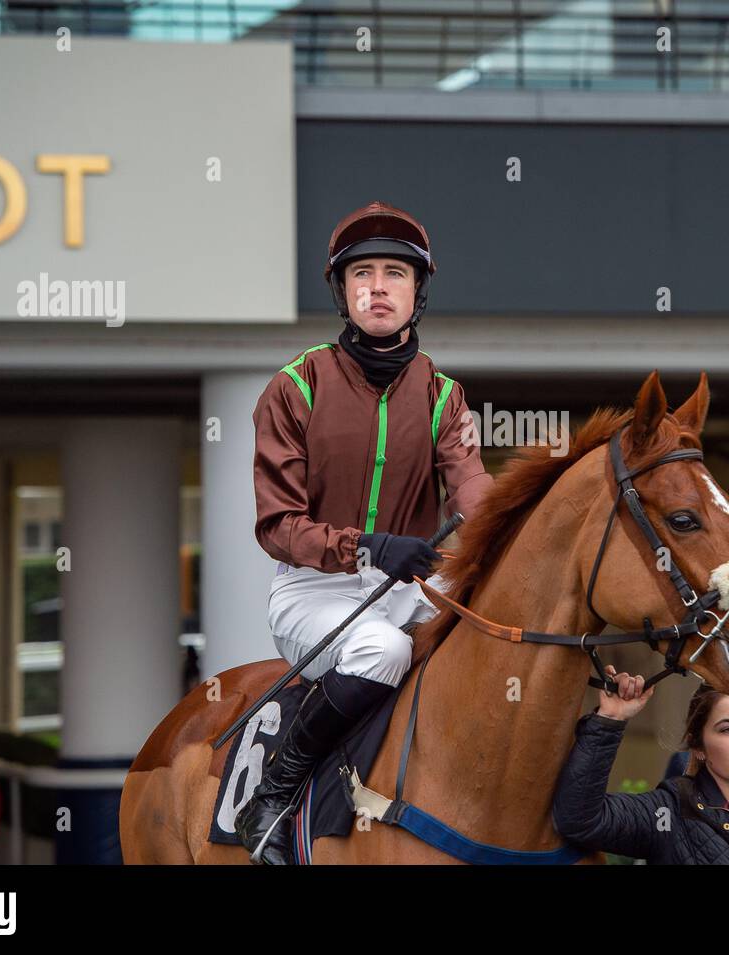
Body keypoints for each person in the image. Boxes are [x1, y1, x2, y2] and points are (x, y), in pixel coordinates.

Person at [234, 200, 495, 864]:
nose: (379, 287)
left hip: (416, 583)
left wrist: (508, 520)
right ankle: (274, 795)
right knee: (382, 648)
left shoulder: (445, 396)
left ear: (417, 292)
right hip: (316, 590)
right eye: (363, 274)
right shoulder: (295, 386)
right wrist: (368, 546)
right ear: (343, 291)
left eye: (395, 274)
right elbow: (278, 524)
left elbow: (470, 486)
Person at [553, 666, 729, 864]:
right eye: (727, 729)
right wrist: (610, 719)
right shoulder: (668, 813)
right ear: (698, 746)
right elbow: (579, 819)